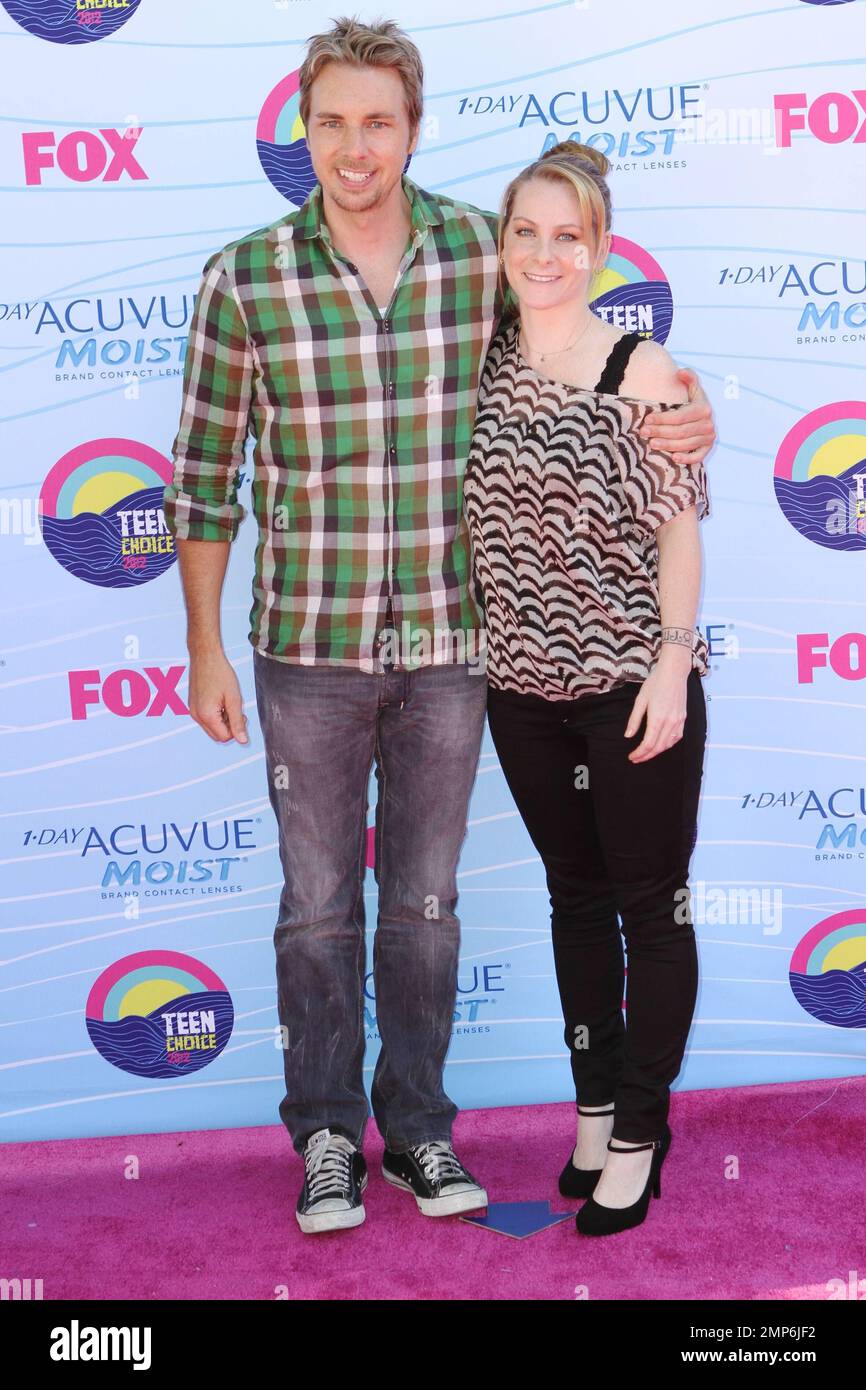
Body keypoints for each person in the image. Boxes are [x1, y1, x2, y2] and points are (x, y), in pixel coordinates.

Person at [163, 17, 716, 1236]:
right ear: (299, 129)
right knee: (316, 906)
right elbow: (205, 477)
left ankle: (415, 1130)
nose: (353, 147)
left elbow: (597, 362)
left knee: (423, 905)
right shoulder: (241, 278)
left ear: (413, 130)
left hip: (459, 649)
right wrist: (202, 642)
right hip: (303, 644)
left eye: (378, 122)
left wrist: (683, 403)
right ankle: (323, 1139)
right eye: (330, 121)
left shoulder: (481, 252)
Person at [462, 140, 710, 1237]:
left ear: (601, 248)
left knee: (648, 912)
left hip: (628, 687)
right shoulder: (483, 355)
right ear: (502, 244)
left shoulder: (644, 372)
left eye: (568, 235)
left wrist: (671, 659)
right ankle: (594, 1104)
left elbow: (678, 533)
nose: (545, 252)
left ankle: (641, 1136)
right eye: (526, 232)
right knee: (575, 899)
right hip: (517, 689)